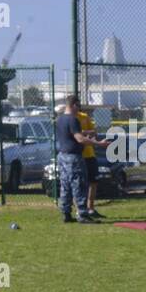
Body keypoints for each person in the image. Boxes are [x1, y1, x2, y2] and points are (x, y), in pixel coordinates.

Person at [54, 94, 106, 224]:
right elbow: (79, 139)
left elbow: (72, 133)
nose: (79, 109)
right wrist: (99, 144)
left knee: (65, 185)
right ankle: (82, 214)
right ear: (72, 105)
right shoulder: (73, 119)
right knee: (79, 184)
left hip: (62, 156)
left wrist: (86, 133)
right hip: (73, 157)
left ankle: (66, 212)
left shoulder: (60, 119)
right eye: (78, 106)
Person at [76, 104, 111, 220]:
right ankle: (79, 210)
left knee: (93, 182)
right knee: (79, 184)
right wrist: (85, 132)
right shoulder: (70, 118)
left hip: (90, 154)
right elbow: (76, 134)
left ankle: (90, 208)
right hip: (78, 155)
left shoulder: (85, 117)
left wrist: (91, 135)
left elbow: (93, 133)